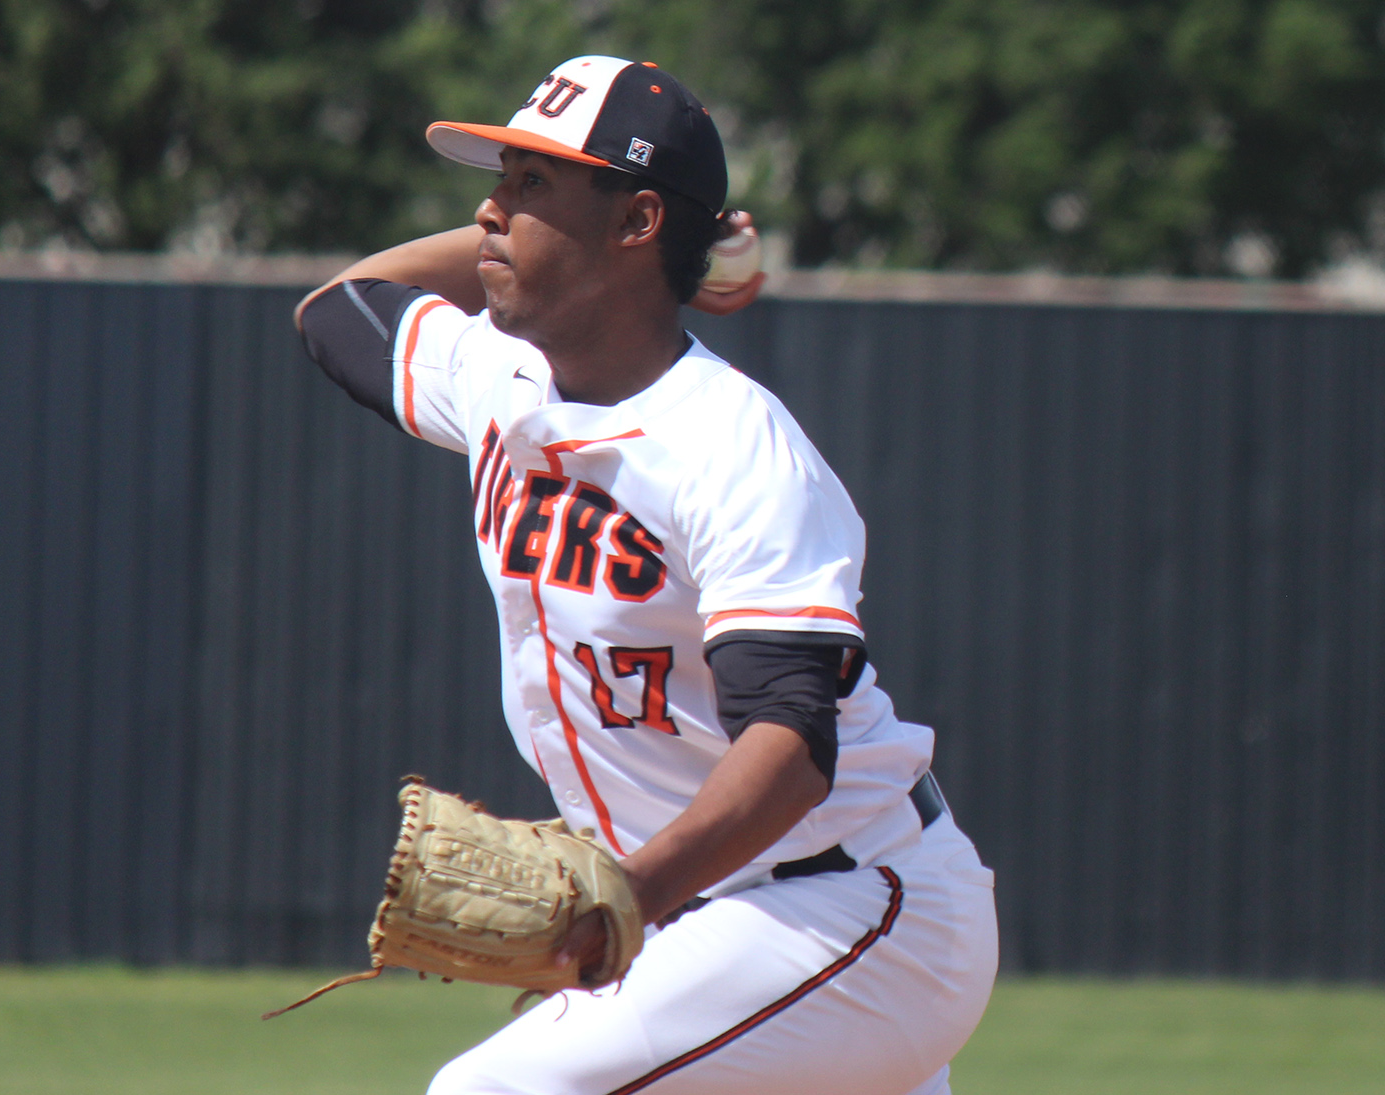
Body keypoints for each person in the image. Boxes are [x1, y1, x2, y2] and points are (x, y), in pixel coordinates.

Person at [295, 55, 997, 1095]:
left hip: (847, 908)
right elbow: (340, 307)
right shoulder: (499, 376)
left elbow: (791, 747)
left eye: (533, 183)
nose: (490, 210)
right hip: (716, 922)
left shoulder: (732, 447)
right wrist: (672, 251)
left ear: (636, 221)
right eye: (499, 180)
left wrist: (625, 897)